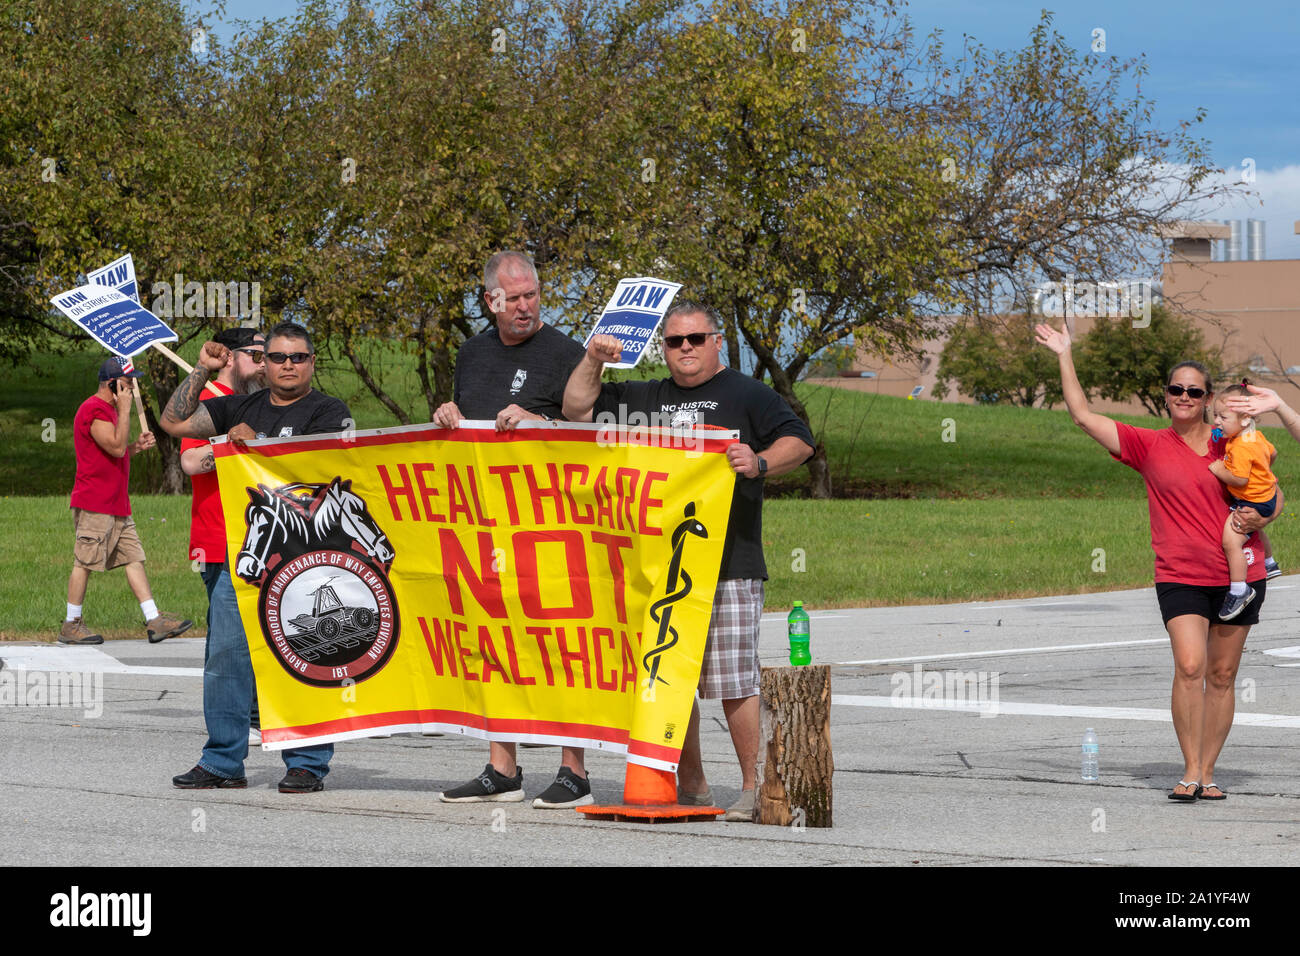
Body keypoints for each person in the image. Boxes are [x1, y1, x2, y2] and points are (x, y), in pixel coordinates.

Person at [563, 301, 815, 821]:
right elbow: (577, 411)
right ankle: (692, 783)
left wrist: (760, 461)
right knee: (671, 679)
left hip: (729, 564)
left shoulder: (746, 393)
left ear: (716, 341)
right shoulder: (645, 396)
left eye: (695, 339)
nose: (685, 349)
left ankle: (753, 789)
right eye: (675, 341)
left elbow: (802, 442)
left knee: (732, 682)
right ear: (663, 347)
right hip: (660, 570)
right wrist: (593, 359)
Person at [1036, 322, 1281, 802]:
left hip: (1240, 574)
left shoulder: (1230, 442)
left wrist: (1266, 512)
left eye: (1194, 390)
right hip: (1180, 576)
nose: (1184, 396)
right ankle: (1189, 770)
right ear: (1166, 397)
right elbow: (1083, 416)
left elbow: (1272, 490)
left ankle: (1209, 773)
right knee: (1190, 666)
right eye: (1176, 389)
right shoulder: (1149, 446)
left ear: (1209, 398)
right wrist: (1065, 353)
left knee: (1223, 675)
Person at [160, 322, 351, 794]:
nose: (288, 365)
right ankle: (223, 761)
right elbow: (174, 422)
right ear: (263, 363)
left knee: (306, 654)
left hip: (304, 560)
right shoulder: (238, 406)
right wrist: (204, 371)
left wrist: (258, 445)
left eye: (298, 357)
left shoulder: (330, 410)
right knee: (225, 658)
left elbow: (325, 470)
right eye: (280, 357)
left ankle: (307, 762)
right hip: (242, 555)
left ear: (311, 362)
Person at [432, 250, 590, 808]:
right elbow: (470, 426)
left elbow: (589, 428)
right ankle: (503, 769)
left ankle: (574, 769)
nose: (524, 306)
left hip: (552, 523)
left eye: (531, 295)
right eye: (512, 298)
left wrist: (540, 422)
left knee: (558, 642)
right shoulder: (472, 351)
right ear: (490, 300)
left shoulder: (568, 351)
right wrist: (448, 414)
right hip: (485, 523)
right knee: (493, 640)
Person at [60, 355, 192, 646]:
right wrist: (125, 410)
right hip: (95, 502)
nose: (133, 388)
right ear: (112, 384)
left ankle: (154, 619)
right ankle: (71, 624)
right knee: (84, 561)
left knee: (134, 558)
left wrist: (136, 446)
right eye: (128, 383)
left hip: (117, 502)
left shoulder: (109, 411)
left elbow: (117, 452)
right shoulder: (93, 409)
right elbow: (116, 447)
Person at [179, 327, 267, 745]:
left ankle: (258, 714)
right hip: (219, 534)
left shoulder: (266, 402)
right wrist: (229, 445)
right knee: (229, 641)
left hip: (265, 536)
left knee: (265, 629)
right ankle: (237, 724)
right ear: (231, 357)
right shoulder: (210, 401)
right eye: (256, 354)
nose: (266, 363)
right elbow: (191, 462)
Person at [1207, 383, 1281, 620]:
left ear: (1244, 418)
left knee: (1231, 542)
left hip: (1251, 501)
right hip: (1265, 496)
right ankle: (1269, 562)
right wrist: (1262, 468)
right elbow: (1273, 453)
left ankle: (1240, 589)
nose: (1217, 421)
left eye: (1223, 417)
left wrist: (1219, 469)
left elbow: (1238, 479)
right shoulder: (1254, 436)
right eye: (1215, 415)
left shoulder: (1240, 447)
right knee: (1256, 529)